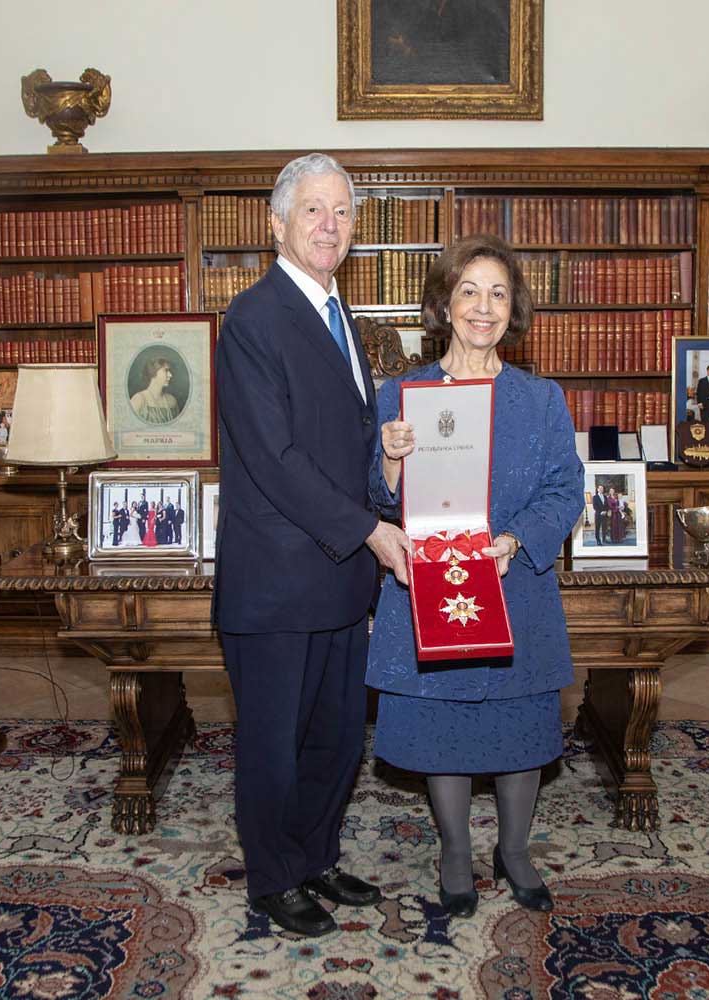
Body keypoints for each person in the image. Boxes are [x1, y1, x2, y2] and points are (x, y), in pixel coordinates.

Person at [214, 153, 410, 938]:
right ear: (277, 223)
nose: (329, 225)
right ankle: (272, 878)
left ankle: (316, 858)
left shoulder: (341, 313)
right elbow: (276, 459)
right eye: (312, 211)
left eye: (342, 212)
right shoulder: (253, 319)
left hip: (339, 577)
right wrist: (370, 528)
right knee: (275, 743)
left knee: (334, 737)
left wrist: (385, 454)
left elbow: (339, 439)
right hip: (277, 582)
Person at [368, 234, 583, 919]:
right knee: (442, 724)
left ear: (513, 307)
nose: (483, 307)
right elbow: (375, 503)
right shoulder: (400, 395)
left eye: (497, 292)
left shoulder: (543, 398)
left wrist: (516, 541)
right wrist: (392, 462)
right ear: (445, 303)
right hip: (431, 590)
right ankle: (456, 849)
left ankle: (515, 849)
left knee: (522, 721)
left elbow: (565, 490)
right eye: (469, 291)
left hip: (515, 581)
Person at [130, 358, 181, 424]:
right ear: (153, 371)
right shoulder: (139, 399)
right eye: (166, 370)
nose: (170, 375)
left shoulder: (172, 400)